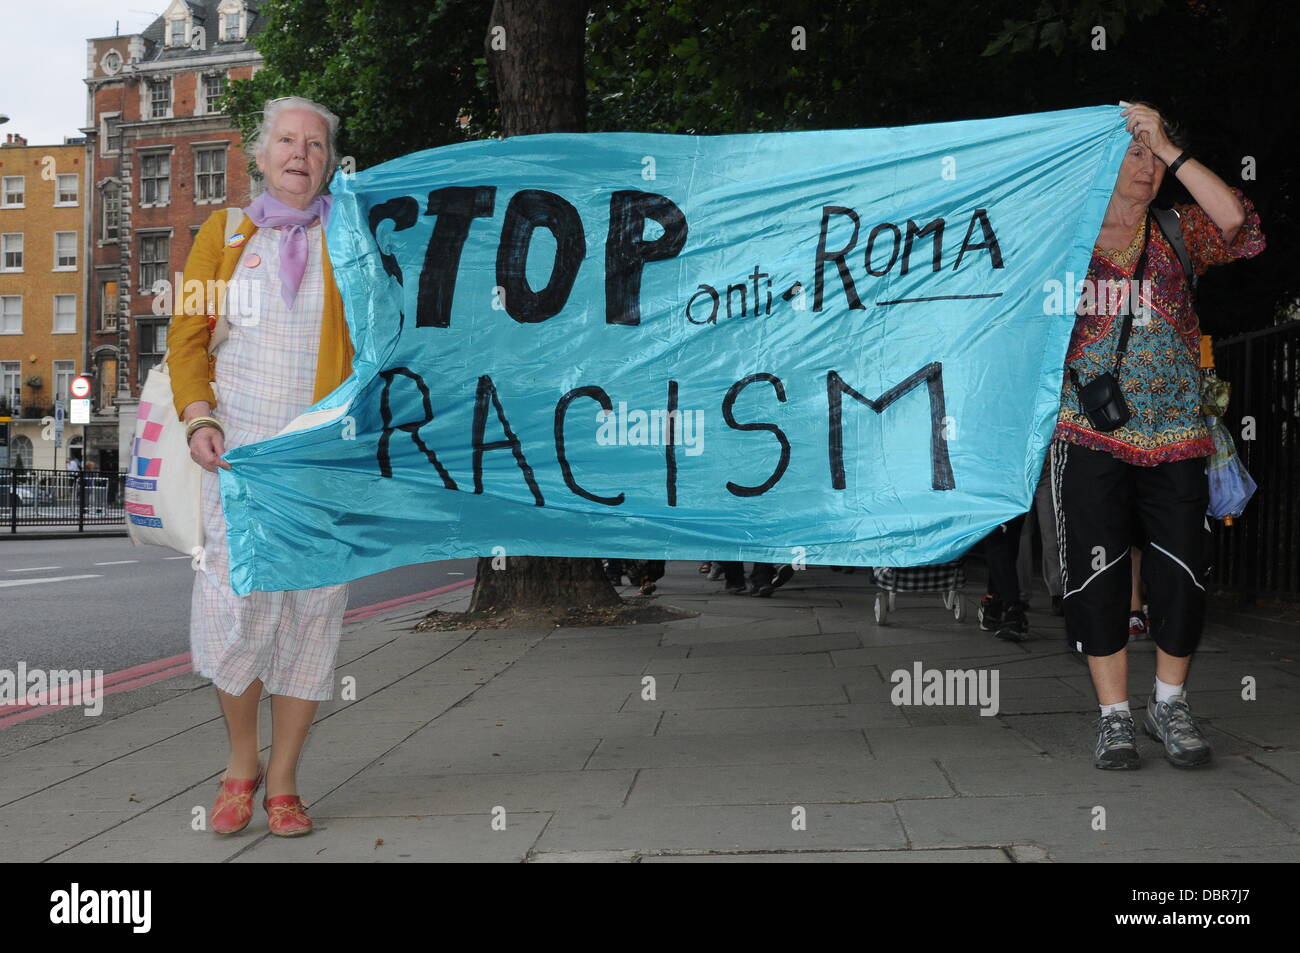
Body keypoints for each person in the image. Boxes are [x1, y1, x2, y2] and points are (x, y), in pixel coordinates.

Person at [1052, 104, 1264, 769]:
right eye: (1134, 152)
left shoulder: (1176, 230)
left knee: (1181, 572)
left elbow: (1239, 223)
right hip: (1089, 434)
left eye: (1152, 154)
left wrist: (1170, 147)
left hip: (1177, 436)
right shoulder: (1061, 240)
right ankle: (1114, 716)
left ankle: (1168, 702)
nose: (1146, 165)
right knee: (1100, 575)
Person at [170, 96, 355, 835]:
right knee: (237, 606)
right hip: (239, 457)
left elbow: (379, 340)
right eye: (286, 139)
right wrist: (198, 416)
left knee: (312, 614)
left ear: (330, 162)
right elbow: (187, 339)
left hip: (319, 460)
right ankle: (242, 760)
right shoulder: (222, 234)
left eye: (314, 143)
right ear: (259, 152)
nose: (300, 153)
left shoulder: (351, 240)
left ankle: (284, 781)